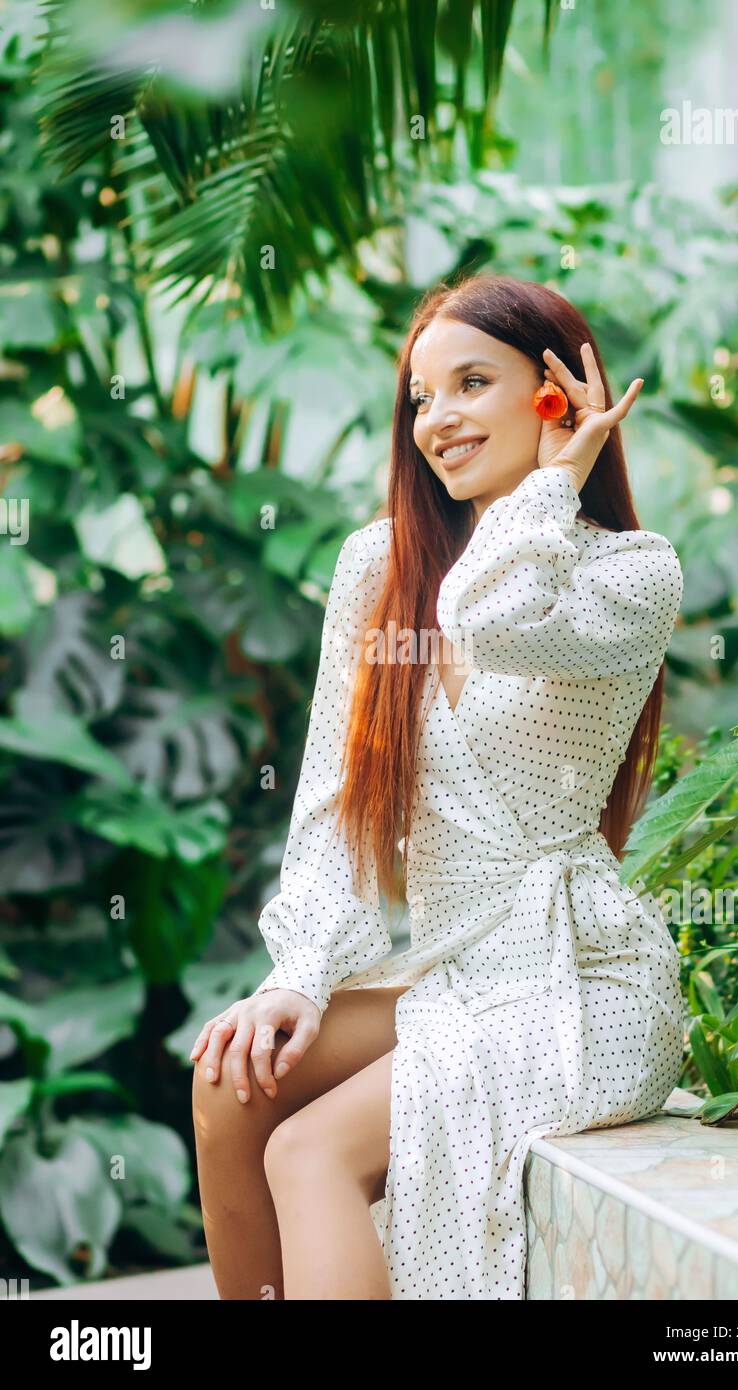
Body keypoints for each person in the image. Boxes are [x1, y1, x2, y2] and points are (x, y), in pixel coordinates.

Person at [190, 273, 685, 1301]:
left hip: (580, 985)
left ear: (559, 394)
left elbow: (488, 617)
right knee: (233, 1084)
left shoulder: (630, 575)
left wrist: (553, 483)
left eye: (471, 382)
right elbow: (328, 795)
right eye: (421, 397)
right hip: (455, 975)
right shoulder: (378, 566)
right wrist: (298, 975)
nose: (438, 420)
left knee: (309, 1152)